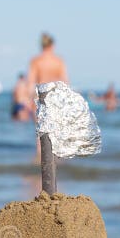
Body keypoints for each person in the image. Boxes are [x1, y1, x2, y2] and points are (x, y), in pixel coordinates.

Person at [28, 33, 69, 161]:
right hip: (55, 98)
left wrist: (28, 100)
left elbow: (30, 83)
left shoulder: (36, 61)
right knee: (56, 133)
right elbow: (65, 82)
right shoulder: (58, 61)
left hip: (40, 98)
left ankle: (41, 161)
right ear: (53, 45)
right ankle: (55, 163)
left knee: (40, 135)